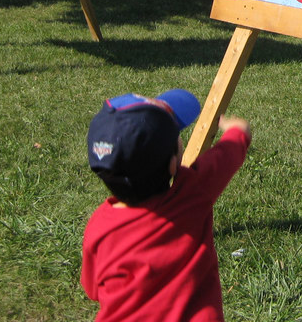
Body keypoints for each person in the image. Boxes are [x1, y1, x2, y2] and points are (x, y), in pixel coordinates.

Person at [81, 89, 251, 322]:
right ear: (173, 164)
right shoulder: (192, 194)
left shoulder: (98, 226)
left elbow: (93, 289)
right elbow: (226, 156)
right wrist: (237, 131)